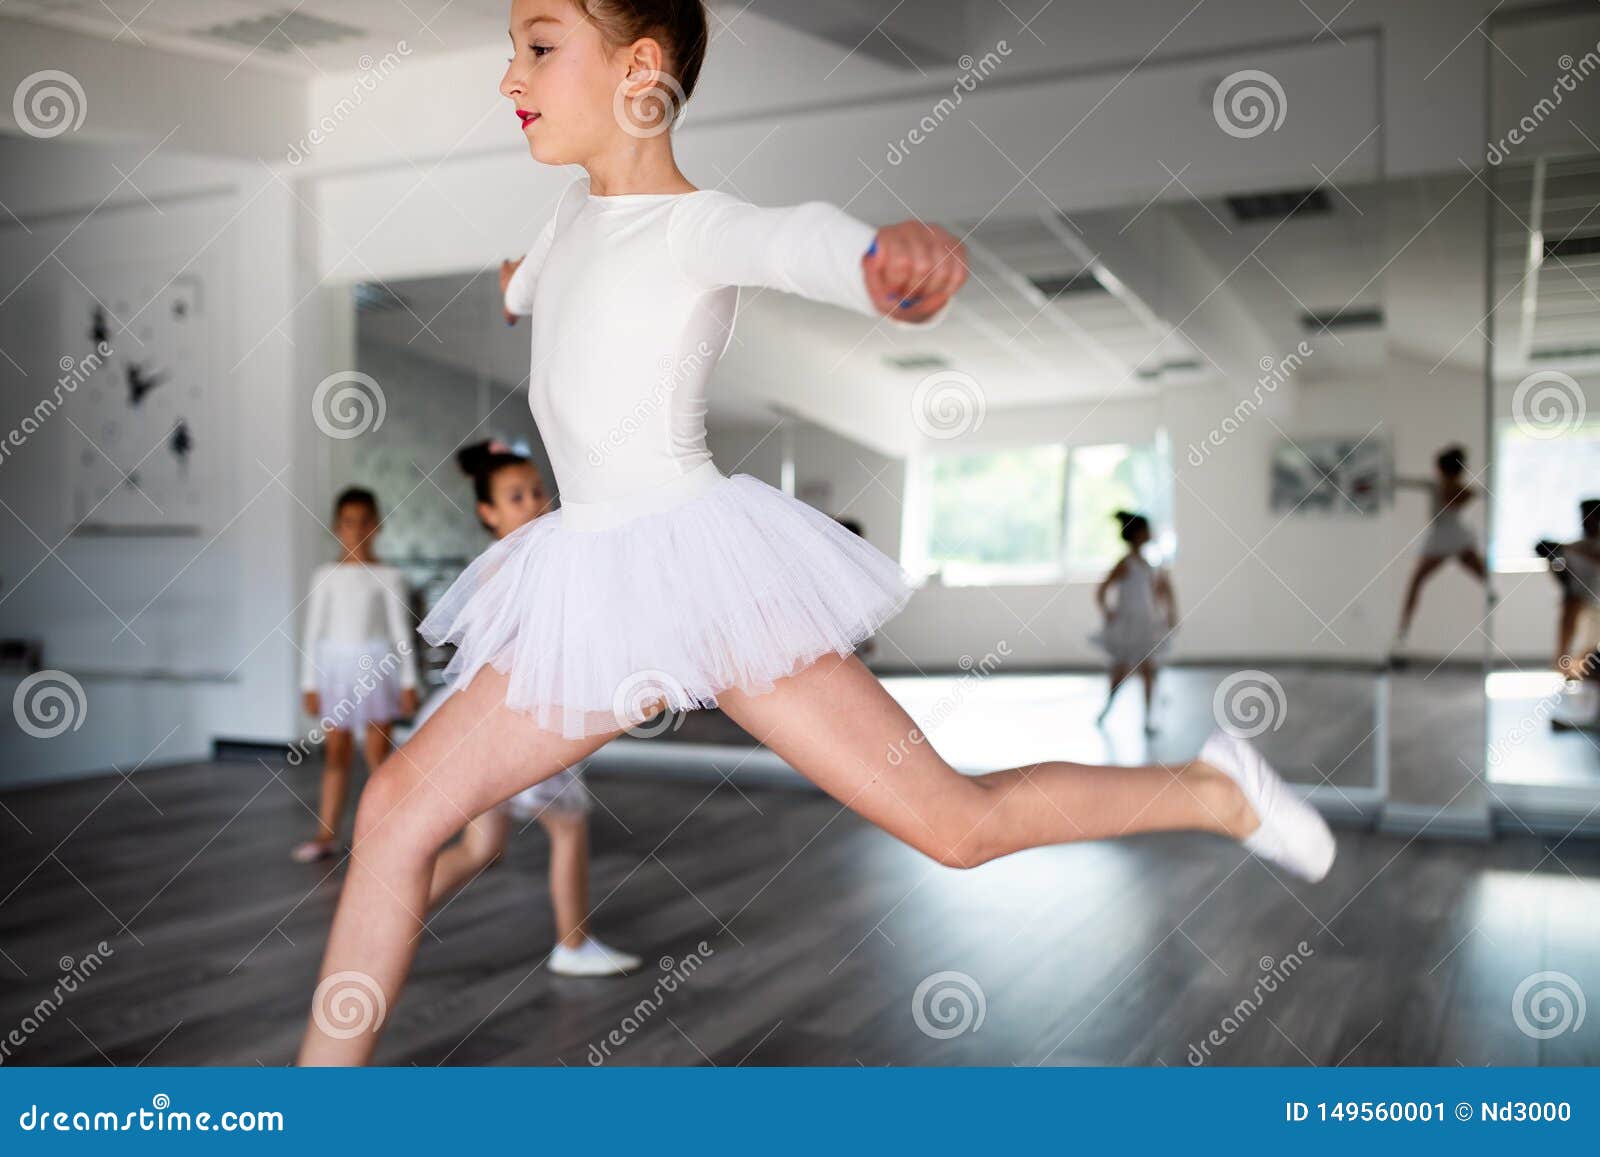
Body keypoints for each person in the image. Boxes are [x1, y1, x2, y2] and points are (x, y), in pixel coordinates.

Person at [296, 0, 1335, 1066]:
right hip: (594, 576)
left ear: (639, 68)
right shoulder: (569, 216)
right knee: (398, 806)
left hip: (698, 569)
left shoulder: (694, 224)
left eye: (540, 46)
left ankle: (1214, 790)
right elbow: (540, 281)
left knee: (955, 827)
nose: (509, 77)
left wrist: (877, 258)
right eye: (513, 49)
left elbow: (790, 238)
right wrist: (523, 288)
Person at [411, 440, 640, 975]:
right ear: (488, 513)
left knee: (482, 848)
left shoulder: (535, 558)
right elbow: (505, 651)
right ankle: (573, 944)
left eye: (538, 491)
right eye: (516, 497)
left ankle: (389, 922)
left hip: (504, 716)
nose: (534, 502)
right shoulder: (508, 566)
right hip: (516, 716)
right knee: (568, 825)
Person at [294, 487, 420, 862]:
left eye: (364, 522)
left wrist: (409, 681)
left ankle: (390, 834)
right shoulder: (324, 576)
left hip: (377, 668)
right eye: (348, 523)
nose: (356, 530)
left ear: (376, 525)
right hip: (335, 669)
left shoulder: (388, 575)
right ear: (337, 527)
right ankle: (326, 833)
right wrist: (310, 682)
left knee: (379, 757)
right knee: (336, 754)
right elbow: (313, 633)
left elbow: (401, 632)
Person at [1396, 445, 1492, 646]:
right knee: (1416, 581)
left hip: (1455, 538)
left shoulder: (1459, 489)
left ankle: (1403, 628)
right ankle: (1403, 629)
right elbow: (1412, 483)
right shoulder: (1440, 486)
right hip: (1445, 538)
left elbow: (1456, 500)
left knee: (1482, 575)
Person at [1091, 511, 1177, 734]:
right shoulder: (1125, 563)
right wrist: (1108, 611)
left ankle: (1148, 720)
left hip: (1145, 623)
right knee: (1120, 672)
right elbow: (1101, 589)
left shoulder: (1148, 564)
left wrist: (1167, 612)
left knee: (1148, 671)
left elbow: (1156, 592)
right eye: (1146, 530)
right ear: (1137, 534)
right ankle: (1107, 709)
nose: (1150, 534)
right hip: (1129, 625)